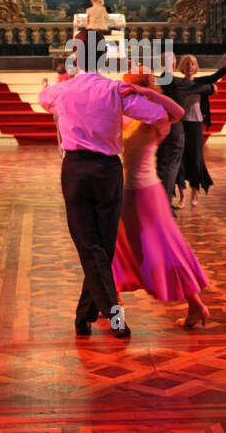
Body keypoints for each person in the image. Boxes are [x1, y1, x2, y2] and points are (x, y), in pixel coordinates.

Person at [39, 29, 169, 340]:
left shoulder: (62, 91)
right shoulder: (115, 91)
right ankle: (109, 317)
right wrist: (146, 94)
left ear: (74, 57)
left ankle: (87, 316)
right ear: (104, 57)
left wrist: (49, 88)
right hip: (109, 171)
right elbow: (158, 114)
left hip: (75, 171)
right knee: (101, 248)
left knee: (92, 247)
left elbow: (44, 100)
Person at [111, 70, 211, 328]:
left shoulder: (156, 119)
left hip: (145, 194)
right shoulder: (130, 118)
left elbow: (177, 111)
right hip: (127, 193)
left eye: (129, 86)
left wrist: (145, 93)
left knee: (164, 250)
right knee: (119, 249)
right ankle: (115, 304)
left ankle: (196, 305)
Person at [172, 54, 226, 207]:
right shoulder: (178, 83)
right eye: (187, 64)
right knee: (180, 160)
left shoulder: (200, 82)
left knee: (196, 160)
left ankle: (194, 195)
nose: (190, 67)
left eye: (192, 64)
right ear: (182, 67)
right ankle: (182, 197)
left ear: (196, 67)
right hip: (181, 123)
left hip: (195, 124)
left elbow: (214, 77)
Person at [154, 51, 184, 215]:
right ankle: (165, 205)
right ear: (174, 64)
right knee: (171, 167)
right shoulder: (179, 82)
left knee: (161, 166)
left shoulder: (157, 82)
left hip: (159, 127)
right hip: (174, 127)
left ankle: (160, 203)